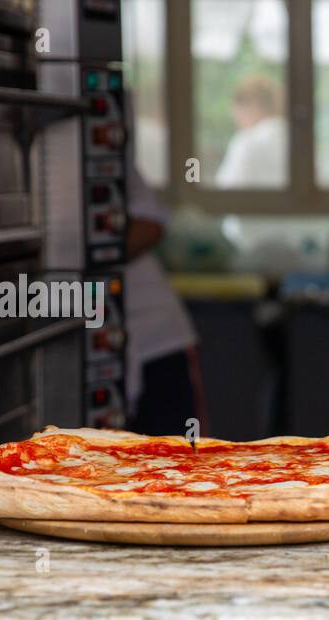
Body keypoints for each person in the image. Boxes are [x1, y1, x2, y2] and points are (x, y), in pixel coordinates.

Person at [125, 148, 207, 436]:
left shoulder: (108, 161)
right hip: (107, 352)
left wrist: (81, 250)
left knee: (179, 463)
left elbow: (151, 224)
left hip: (155, 342)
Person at [216, 74, 288, 250]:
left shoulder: (247, 141)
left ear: (250, 105)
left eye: (236, 112)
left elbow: (225, 192)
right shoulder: (302, 141)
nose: (236, 119)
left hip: (252, 249)